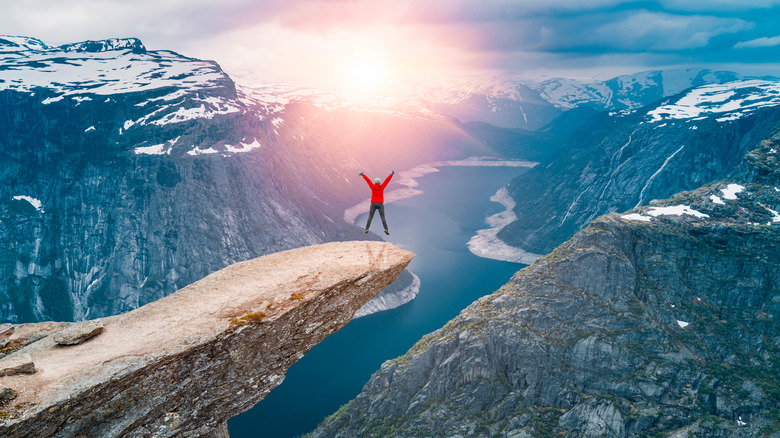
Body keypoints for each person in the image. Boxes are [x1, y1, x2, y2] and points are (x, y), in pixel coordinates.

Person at [360, 170, 394, 235]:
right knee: (382, 217)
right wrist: (391, 174)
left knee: (370, 216)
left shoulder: (372, 187)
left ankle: (367, 228)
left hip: (373, 204)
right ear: (379, 182)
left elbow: (368, 181)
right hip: (380, 204)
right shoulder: (381, 187)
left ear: (375, 182)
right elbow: (387, 181)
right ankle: (386, 229)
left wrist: (363, 175)